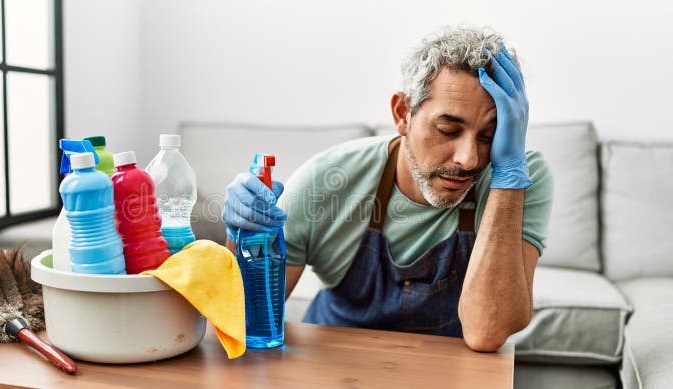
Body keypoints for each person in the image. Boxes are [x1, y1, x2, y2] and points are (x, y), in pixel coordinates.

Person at [222, 26, 553, 352]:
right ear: (402, 114)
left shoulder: (518, 177)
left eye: (488, 136)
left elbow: (487, 332)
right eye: (448, 129)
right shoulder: (326, 180)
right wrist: (240, 236)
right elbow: (240, 322)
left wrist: (509, 179)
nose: (469, 159)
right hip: (332, 367)